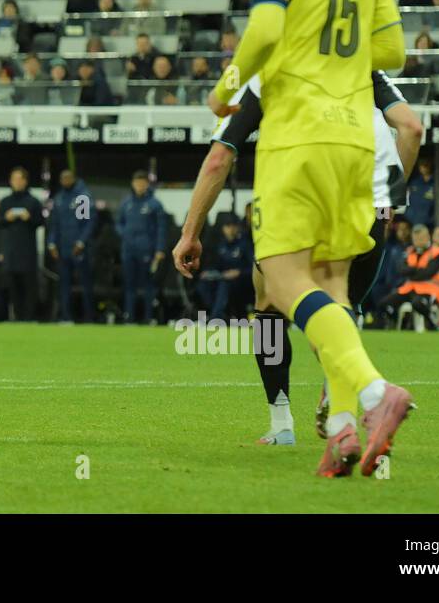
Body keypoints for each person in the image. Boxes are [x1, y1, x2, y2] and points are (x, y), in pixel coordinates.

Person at [205, 0, 410, 477]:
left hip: (300, 136)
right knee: (331, 285)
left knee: (284, 279)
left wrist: (226, 89)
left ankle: (375, 394)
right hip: (356, 139)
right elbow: (392, 56)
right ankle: (344, 432)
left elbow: (265, 28)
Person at [174, 70, 421, 445]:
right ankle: (343, 424)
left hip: (299, 198)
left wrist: (190, 233)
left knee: (270, 300)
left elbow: (218, 157)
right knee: (336, 309)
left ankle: (297, 418)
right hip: (367, 207)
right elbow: (411, 129)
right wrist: (390, 201)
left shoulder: (269, 69)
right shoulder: (364, 64)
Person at [115, 170, 167, 324]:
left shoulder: (155, 204)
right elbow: (118, 223)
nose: (139, 186)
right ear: (133, 184)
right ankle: (129, 317)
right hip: (128, 250)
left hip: (147, 250)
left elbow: (161, 229)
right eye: (137, 183)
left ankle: (149, 317)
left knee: (148, 285)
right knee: (129, 284)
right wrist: (124, 234)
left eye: (142, 183)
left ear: (147, 184)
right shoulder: (126, 203)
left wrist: (159, 249)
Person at [47, 169, 96, 323]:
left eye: (68, 178)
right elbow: (54, 224)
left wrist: (81, 242)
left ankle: (89, 317)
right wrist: (52, 242)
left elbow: (87, 223)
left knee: (85, 284)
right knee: (64, 284)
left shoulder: (81, 197)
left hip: (79, 248)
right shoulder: (59, 198)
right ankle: (66, 317)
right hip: (63, 247)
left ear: (74, 179)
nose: (65, 180)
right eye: (62, 178)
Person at [378, 224, 439, 329]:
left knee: (418, 304)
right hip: (409, 289)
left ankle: (433, 324)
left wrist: (411, 270)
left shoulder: (438, 253)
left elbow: (428, 273)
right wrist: (417, 270)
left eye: (421, 238)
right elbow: (400, 269)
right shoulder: (409, 251)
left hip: (430, 290)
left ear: (428, 237)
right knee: (383, 304)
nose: (418, 241)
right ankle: (396, 322)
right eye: (416, 238)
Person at [0, 167, 45, 322]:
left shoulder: (33, 202)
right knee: (13, 287)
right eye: (14, 179)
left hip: (27, 253)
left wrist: (29, 218)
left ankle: (30, 317)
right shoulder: (5, 202)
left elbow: (41, 222)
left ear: (25, 181)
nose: (17, 182)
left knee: (29, 287)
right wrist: (7, 218)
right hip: (11, 253)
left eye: (20, 179)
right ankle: (17, 318)